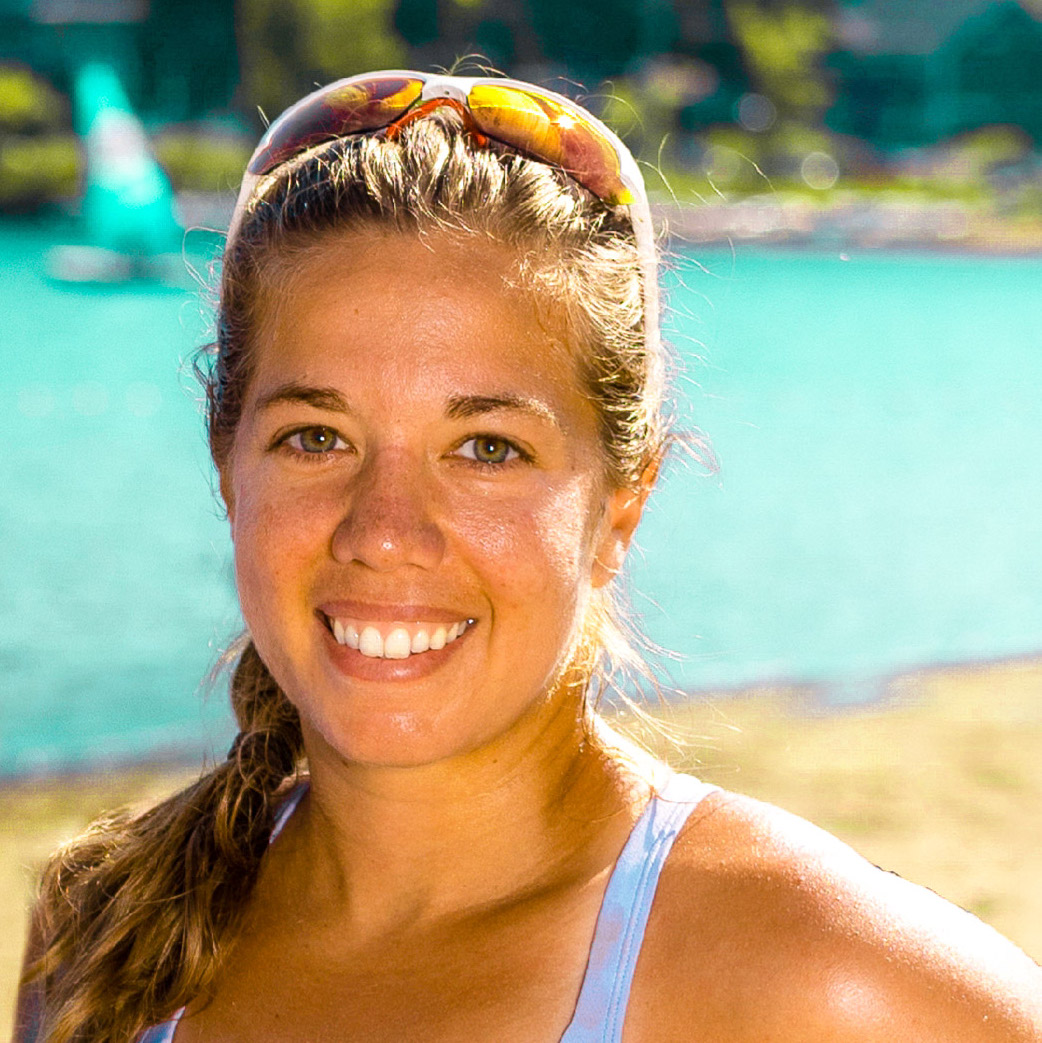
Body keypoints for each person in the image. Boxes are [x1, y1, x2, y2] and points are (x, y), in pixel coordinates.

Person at [15, 71, 1042, 1043]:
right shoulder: (105, 933)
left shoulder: (823, 980)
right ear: (227, 463)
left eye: (487, 448)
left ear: (619, 504)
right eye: (316, 437)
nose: (383, 529)